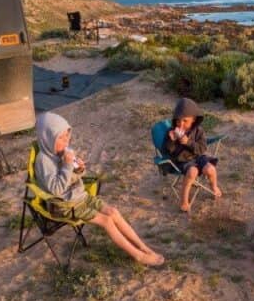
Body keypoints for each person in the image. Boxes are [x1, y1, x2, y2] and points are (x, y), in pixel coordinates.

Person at [35, 112, 164, 266]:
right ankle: (138, 256)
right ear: (47, 138)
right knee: (107, 221)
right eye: (60, 138)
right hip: (65, 205)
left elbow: (72, 178)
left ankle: (143, 247)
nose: (66, 141)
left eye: (67, 137)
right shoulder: (44, 162)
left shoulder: (62, 152)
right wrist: (68, 166)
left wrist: (78, 169)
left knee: (113, 211)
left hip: (80, 197)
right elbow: (56, 189)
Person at [164, 97, 222, 211]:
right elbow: (168, 151)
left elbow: (202, 148)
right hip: (183, 161)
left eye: (185, 121)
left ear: (193, 119)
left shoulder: (199, 131)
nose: (181, 124)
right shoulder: (172, 132)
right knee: (192, 171)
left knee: (211, 169)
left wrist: (188, 142)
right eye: (178, 120)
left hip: (198, 157)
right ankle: (184, 201)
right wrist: (172, 140)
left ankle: (214, 187)